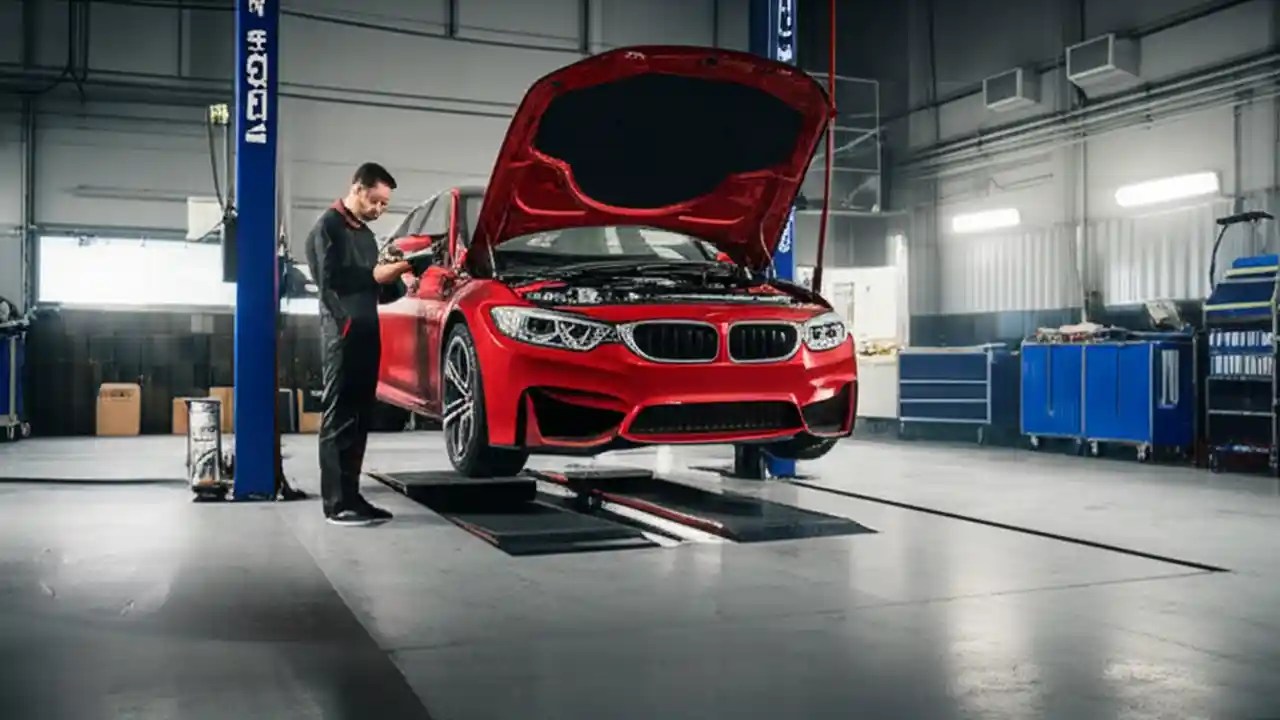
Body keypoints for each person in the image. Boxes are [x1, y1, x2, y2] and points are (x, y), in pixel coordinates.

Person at [304, 162, 412, 526]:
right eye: (376, 201)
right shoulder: (327, 228)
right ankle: (335, 503)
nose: (380, 209)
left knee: (359, 418)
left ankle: (352, 496)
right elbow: (330, 284)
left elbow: (377, 291)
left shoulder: (366, 236)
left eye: (385, 205)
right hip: (342, 333)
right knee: (339, 417)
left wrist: (400, 280)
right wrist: (375, 275)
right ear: (357, 189)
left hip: (368, 332)